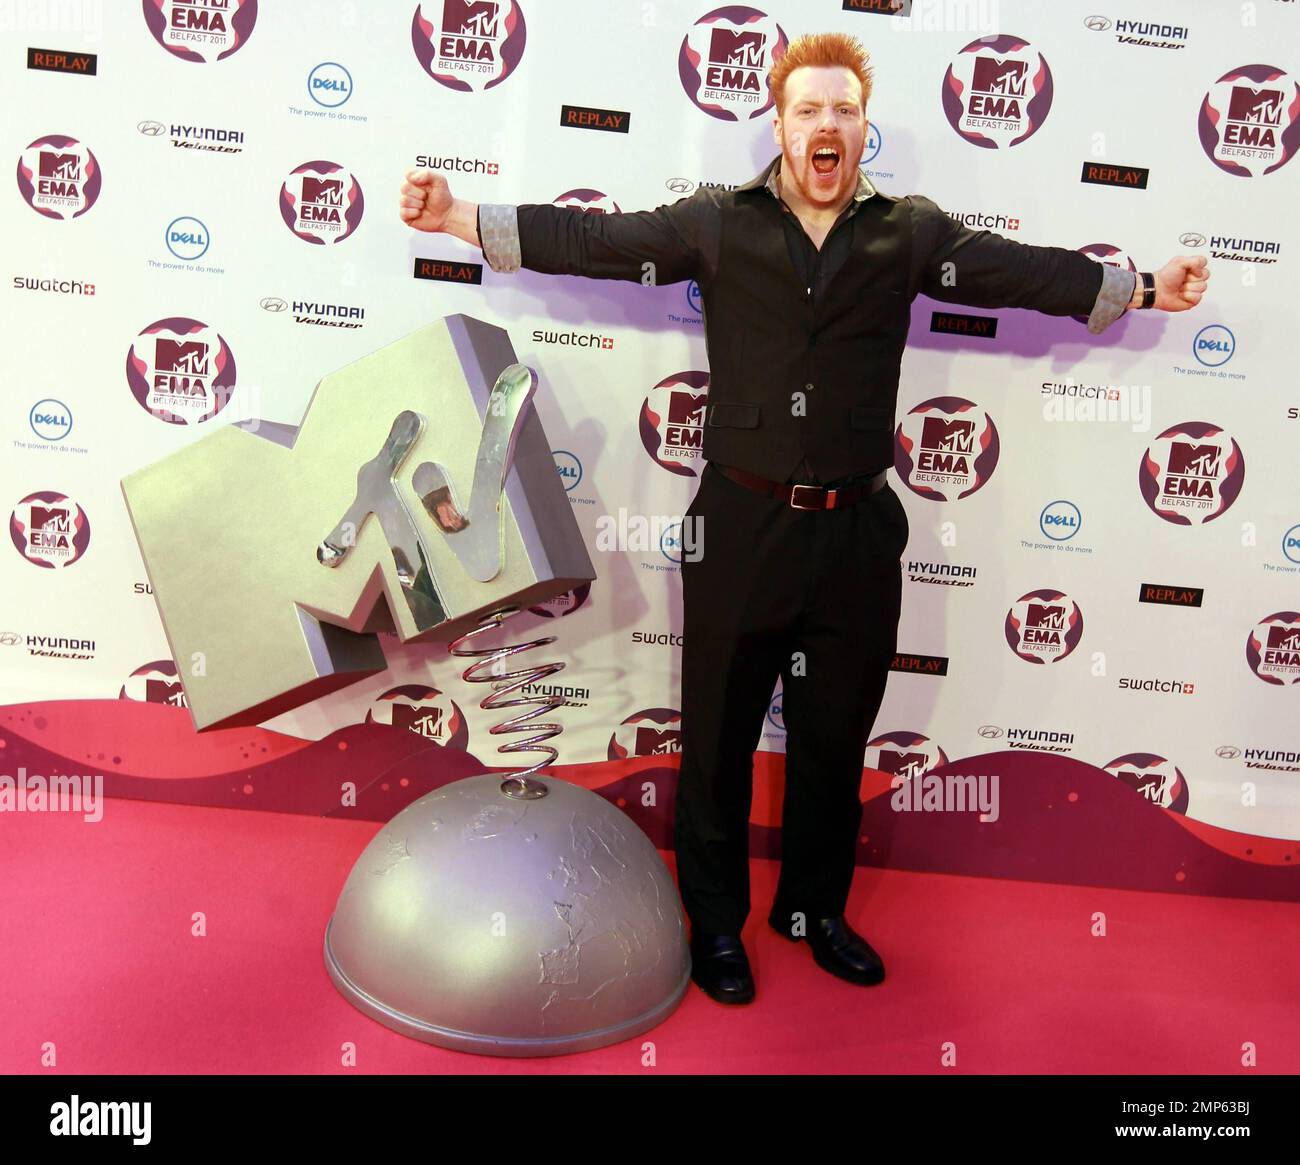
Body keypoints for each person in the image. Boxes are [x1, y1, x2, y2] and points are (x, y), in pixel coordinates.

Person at [398, 32, 1210, 1006]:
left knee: (835, 736)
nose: (827, 124)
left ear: (862, 129)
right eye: (807, 110)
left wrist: (1144, 290)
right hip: (742, 526)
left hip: (858, 534)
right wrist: (460, 220)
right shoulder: (716, 224)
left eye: (844, 110)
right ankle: (714, 924)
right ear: (779, 125)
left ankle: (813, 910)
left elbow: (1014, 272)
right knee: (719, 740)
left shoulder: (905, 232)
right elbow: (602, 241)